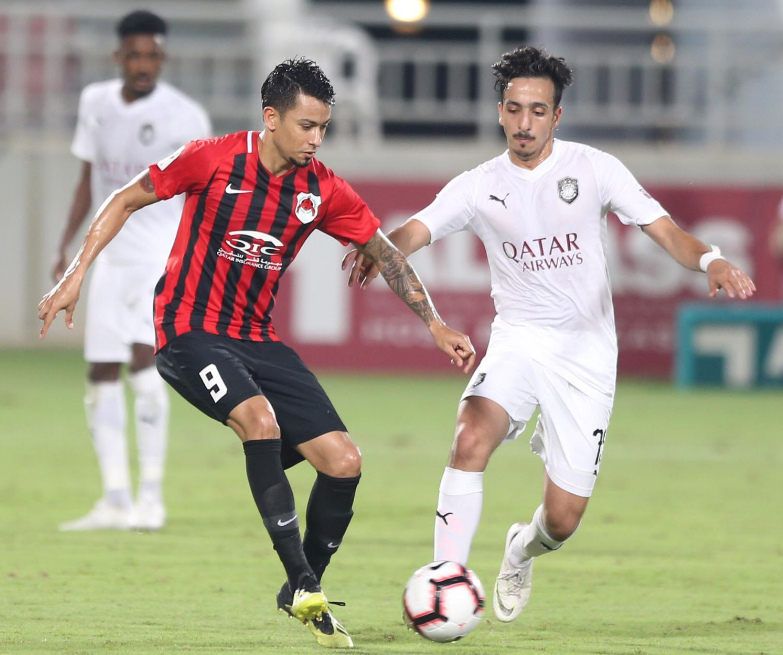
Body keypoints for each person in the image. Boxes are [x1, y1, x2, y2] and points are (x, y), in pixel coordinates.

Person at [39, 56, 475, 649]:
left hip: (256, 338)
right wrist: (75, 274)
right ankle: (305, 585)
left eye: (323, 128)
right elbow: (122, 199)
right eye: (306, 126)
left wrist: (434, 323)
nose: (316, 139)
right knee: (259, 421)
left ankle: (301, 583)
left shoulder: (322, 189)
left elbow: (386, 253)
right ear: (271, 118)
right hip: (187, 329)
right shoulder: (213, 158)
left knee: (344, 462)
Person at [343, 46, 756, 624]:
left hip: (586, 356)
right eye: (514, 109)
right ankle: (446, 579)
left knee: (562, 520)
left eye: (538, 111)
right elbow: (415, 231)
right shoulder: (478, 185)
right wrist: (380, 248)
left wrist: (710, 259)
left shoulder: (595, 169)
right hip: (518, 341)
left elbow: (666, 233)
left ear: (557, 116)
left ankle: (520, 550)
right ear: (500, 111)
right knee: (469, 438)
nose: (525, 123)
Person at [53, 10, 211, 532]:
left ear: (162, 59)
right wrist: (68, 246)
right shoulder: (94, 103)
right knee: (101, 372)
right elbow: (89, 180)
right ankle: (116, 499)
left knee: (145, 366)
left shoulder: (185, 116)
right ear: (119, 56)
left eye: (153, 56)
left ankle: (151, 499)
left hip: (159, 258)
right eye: (136, 55)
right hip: (109, 260)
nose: (144, 65)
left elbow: (205, 191)